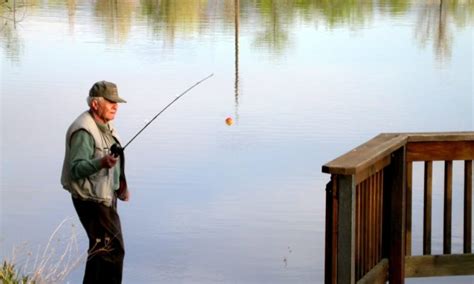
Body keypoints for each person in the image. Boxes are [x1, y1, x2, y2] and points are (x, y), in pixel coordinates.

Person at [61, 80, 129, 284]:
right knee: (113, 251)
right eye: (110, 102)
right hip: (90, 200)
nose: (115, 106)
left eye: (116, 102)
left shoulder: (105, 125)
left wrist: (121, 186)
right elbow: (76, 169)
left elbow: (114, 158)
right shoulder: (83, 131)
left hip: (105, 196)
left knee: (101, 251)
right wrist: (100, 163)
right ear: (95, 104)